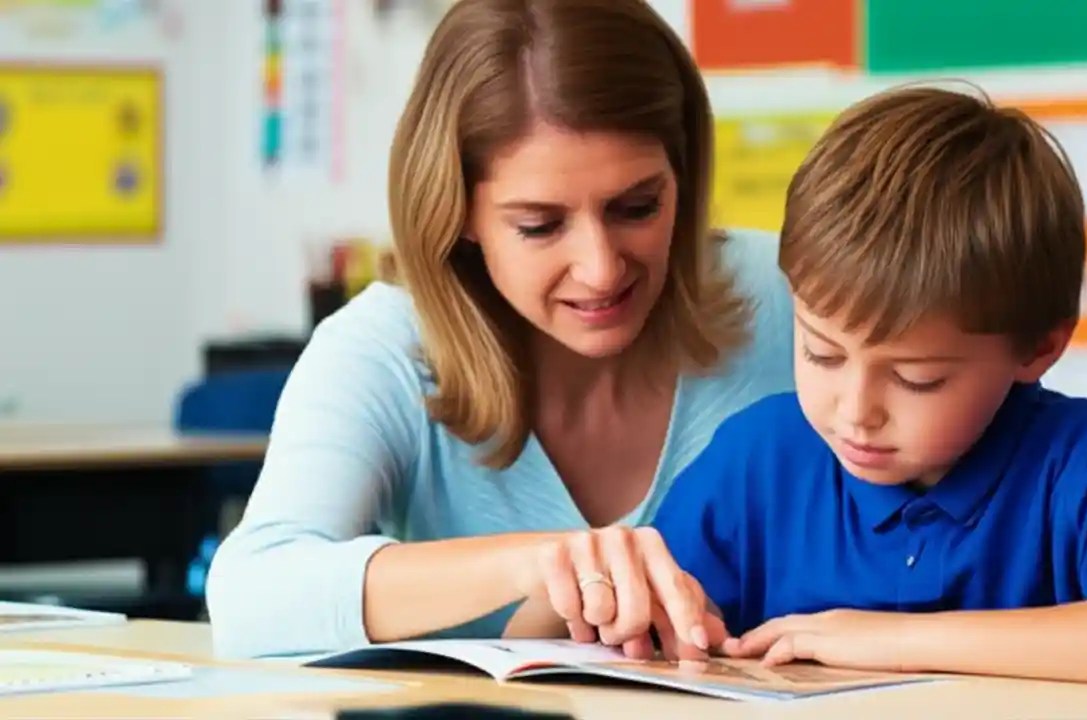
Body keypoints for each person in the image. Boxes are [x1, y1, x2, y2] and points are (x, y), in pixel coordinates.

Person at [205, 0, 793, 660]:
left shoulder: (793, 296)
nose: (600, 270)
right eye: (540, 226)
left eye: (637, 207)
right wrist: (542, 563)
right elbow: (251, 597)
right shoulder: (386, 348)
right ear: (456, 210)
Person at [647, 85, 1087, 693]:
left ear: (1039, 348)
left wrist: (894, 642)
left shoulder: (1079, 462)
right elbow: (641, 634)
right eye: (821, 352)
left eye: (918, 379)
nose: (856, 412)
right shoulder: (756, 461)